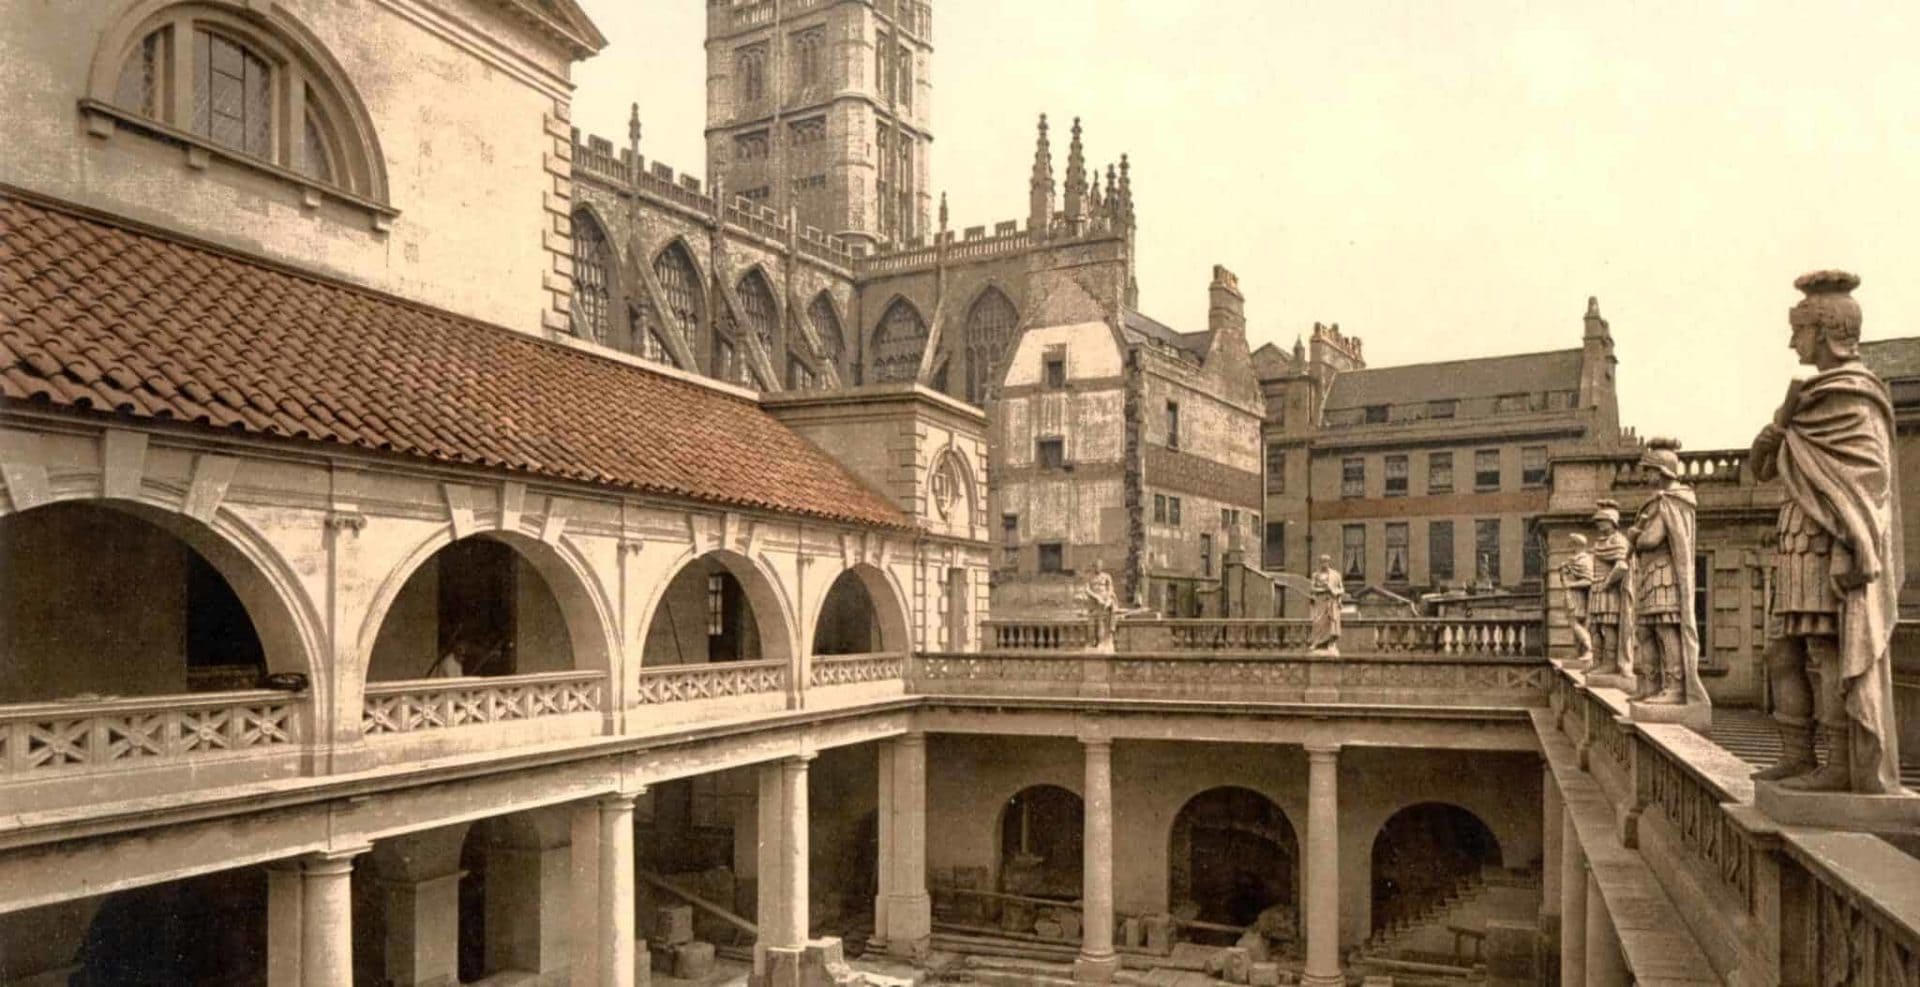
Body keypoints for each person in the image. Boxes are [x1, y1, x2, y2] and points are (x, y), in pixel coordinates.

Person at [1750, 270, 1904, 793]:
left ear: (1826, 331)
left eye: (1799, 330)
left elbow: (1868, 485)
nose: (1792, 341)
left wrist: (1848, 548)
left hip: (1827, 541)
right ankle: (1796, 757)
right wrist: (1775, 432)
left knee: (1827, 653)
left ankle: (1839, 765)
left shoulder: (1854, 395)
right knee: (1781, 653)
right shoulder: (1808, 398)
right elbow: (1763, 470)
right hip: (1796, 537)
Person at [1626, 439, 1710, 708]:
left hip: (1664, 576)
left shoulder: (1671, 501)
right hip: (1650, 575)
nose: (1645, 475)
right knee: (1645, 631)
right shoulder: (1657, 501)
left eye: (1649, 470)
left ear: (1663, 471)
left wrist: (1635, 535)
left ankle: (1674, 687)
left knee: (1664, 629)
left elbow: (1651, 539)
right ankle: (1650, 684)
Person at [1585, 501, 1634, 682]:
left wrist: (1607, 582)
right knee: (1594, 627)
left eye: (1602, 520)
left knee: (1608, 625)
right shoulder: (1600, 541)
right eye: (1597, 521)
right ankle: (1598, 660)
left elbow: (1622, 566)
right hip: (1597, 588)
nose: (1598, 524)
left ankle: (1610, 662)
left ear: (1612, 521)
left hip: (1610, 589)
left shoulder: (1619, 540)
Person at [1560, 533, 1595, 664]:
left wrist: (1570, 584)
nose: (1569, 546)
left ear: (1576, 545)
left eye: (1571, 543)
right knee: (1574, 624)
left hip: (1578, 596)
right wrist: (1564, 573)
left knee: (1575, 623)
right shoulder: (1573, 560)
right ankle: (1580, 652)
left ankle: (1589, 649)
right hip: (1571, 595)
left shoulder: (1584, 560)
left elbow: (1589, 581)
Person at [1308, 555, 1344, 653]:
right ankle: (1317, 642)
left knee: (1331, 622)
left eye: (1326, 561)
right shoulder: (1315, 575)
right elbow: (1312, 589)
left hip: (1332, 602)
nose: (1324, 563)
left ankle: (1331, 643)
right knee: (1318, 622)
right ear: (1320, 562)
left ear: (1329, 562)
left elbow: (1341, 589)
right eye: (1322, 561)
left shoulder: (1336, 575)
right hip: (1320, 602)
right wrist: (1324, 589)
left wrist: (1333, 590)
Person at [1083, 558, 1119, 648]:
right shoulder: (1089, 577)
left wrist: (1107, 597)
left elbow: (1110, 588)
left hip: (1105, 596)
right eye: (1096, 566)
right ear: (1093, 567)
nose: (1097, 568)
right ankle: (1096, 639)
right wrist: (1097, 597)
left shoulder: (1107, 576)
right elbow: (1087, 589)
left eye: (1099, 566)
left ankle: (1112, 628)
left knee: (1112, 606)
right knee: (1097, 617)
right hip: (1094, 598)